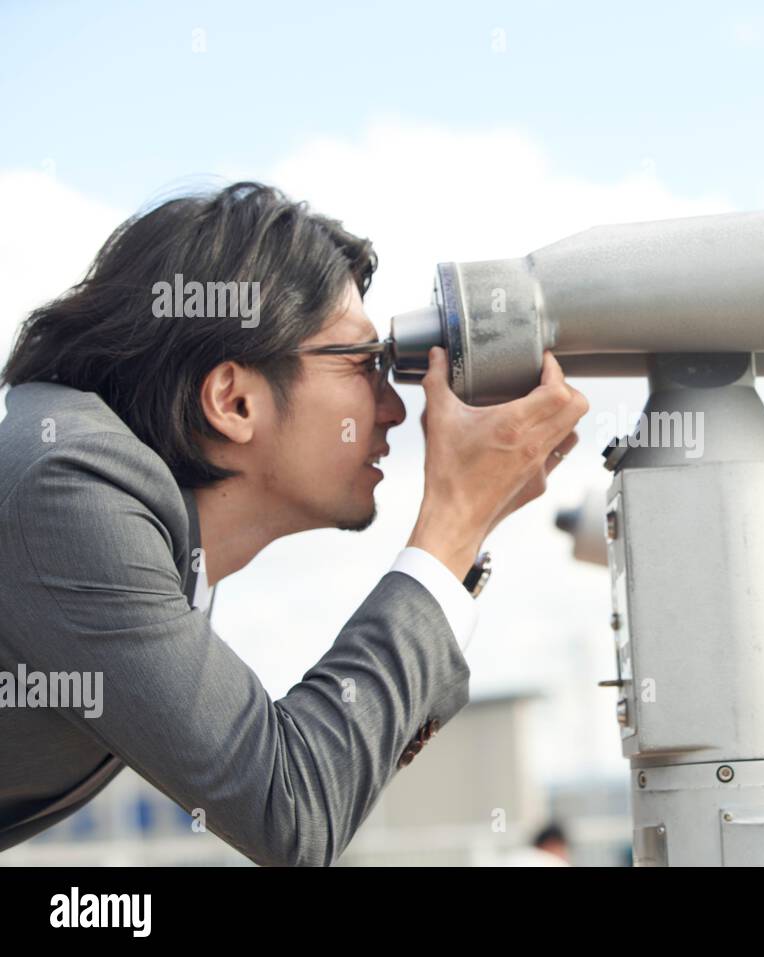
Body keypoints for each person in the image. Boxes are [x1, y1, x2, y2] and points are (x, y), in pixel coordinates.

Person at [0, 182, 589, 865]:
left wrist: (460, 537)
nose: (394, 411)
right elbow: (292, 806)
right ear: (234, 399)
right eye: (364, 365)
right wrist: (455, 519)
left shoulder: (121, 512)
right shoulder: (67, 486)